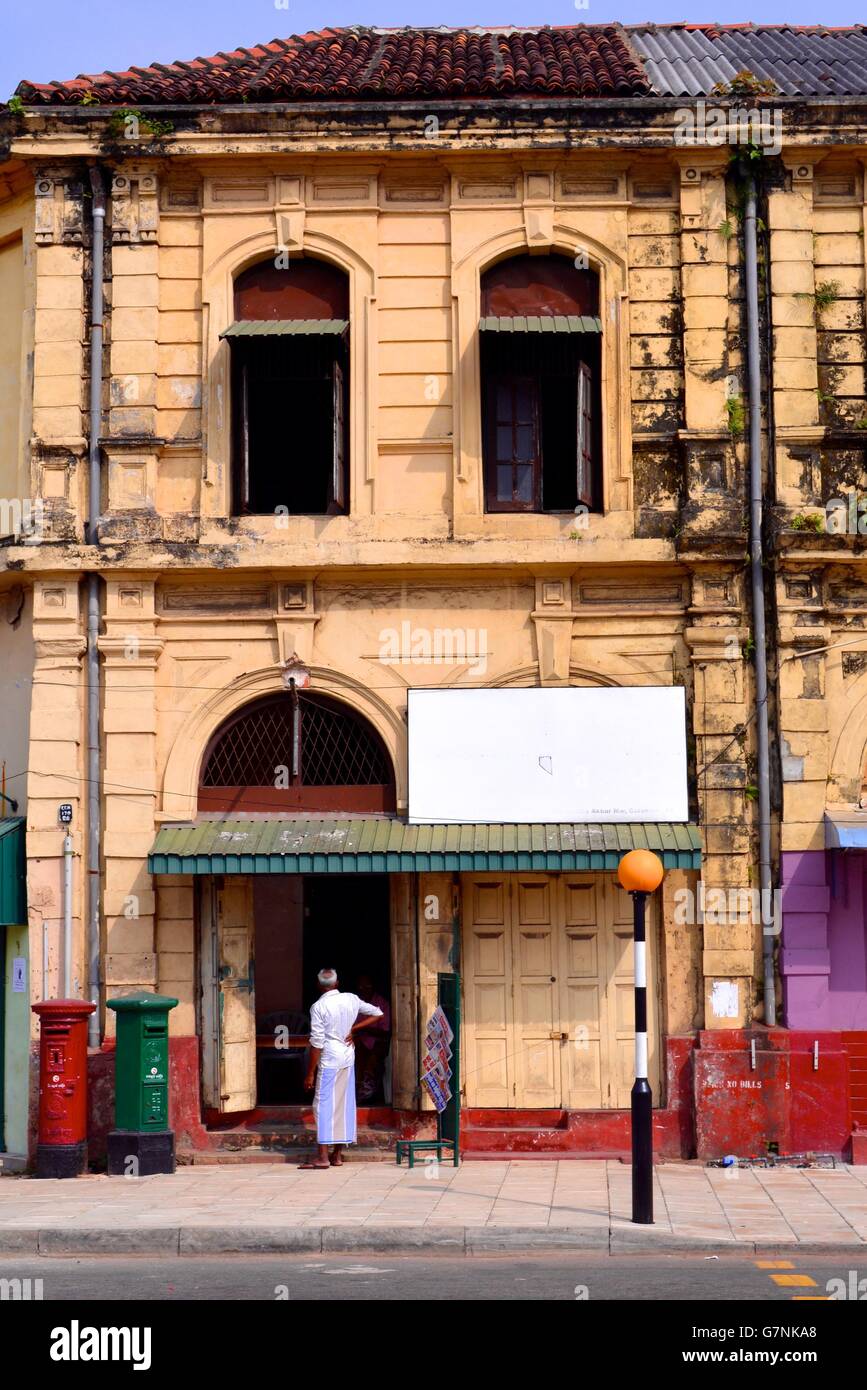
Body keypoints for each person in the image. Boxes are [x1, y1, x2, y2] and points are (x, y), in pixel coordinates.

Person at [300, 967, 384, 1170]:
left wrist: (310, 1073)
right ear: (337, 984)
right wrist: (354, 1030)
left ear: (319, 986)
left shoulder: (318, 1007)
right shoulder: (351, 999)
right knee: (343, 1105)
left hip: (329, 1060)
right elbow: (378, 1013)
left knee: (323, 1106)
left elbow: (317, 1043)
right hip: (347, 1057)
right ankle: (337, 1155)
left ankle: (322, 1157)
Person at [354, 974, 391, 1104]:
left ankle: (367, 1084)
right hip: (360, 1041)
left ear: (373, 987)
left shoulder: (382, 1004)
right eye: (361, 986)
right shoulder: (355, 1002)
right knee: (356, 1050)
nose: (364, 989)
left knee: (375, 1053)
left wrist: (364, 1029)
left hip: (377, 1042)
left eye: (367, 986)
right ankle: (360, 1088)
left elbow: (385, 1032)